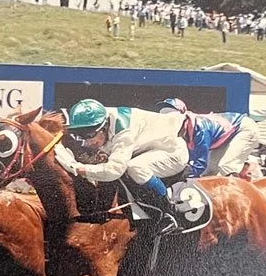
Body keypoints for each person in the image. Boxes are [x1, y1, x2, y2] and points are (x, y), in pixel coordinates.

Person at [58, 99, 189, 235]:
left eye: (90, 135)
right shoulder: (100, 118)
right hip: (147, 150)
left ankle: (169, 215)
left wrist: (78, 168)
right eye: (80, 135)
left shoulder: (123, 132)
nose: (87, 142)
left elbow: (114, 170)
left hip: (172, 153)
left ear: (104, 126)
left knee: (134, 167)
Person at [157, 98, 260, 179]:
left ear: (183, 117)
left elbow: (200, 163)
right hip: (228, 135)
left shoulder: (199, 128)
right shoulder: (184, 130)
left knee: (227, 165)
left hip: (244, 128)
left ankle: (240, 196)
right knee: (210, 172)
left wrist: (180, 177)